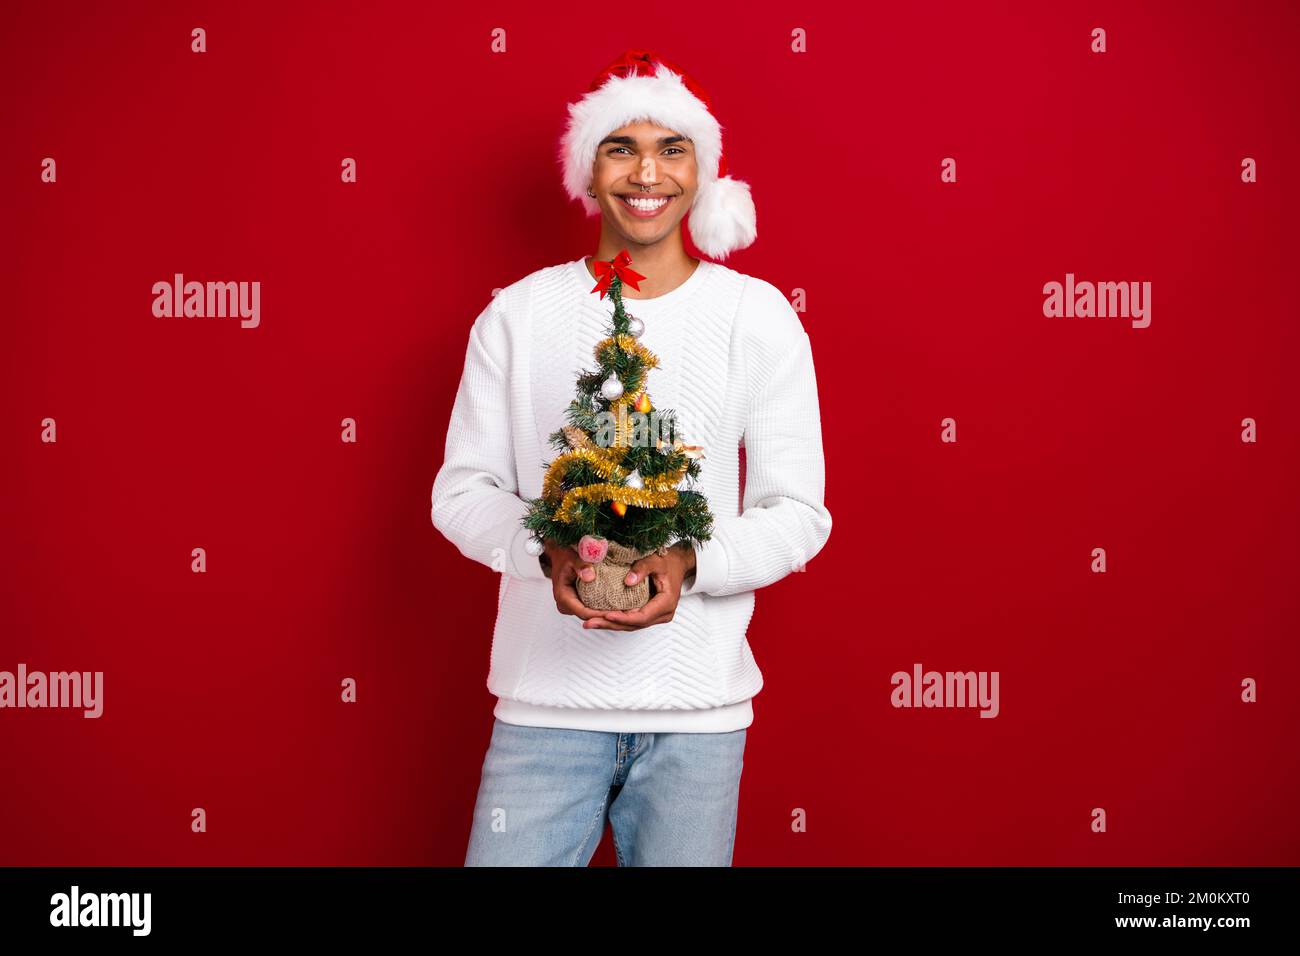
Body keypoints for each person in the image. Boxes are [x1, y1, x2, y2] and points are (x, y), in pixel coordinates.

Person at [431, 49, 832, 866]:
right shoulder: (518, 315)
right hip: (545, 707)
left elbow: (798, 514)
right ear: (587, 167)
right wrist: (544, 549)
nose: (646, 171)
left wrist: (690, 561)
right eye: (620, 146)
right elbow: (463, 490)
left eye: (671, 147)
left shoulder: (756, 318)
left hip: (697, 719)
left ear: (703, 170)